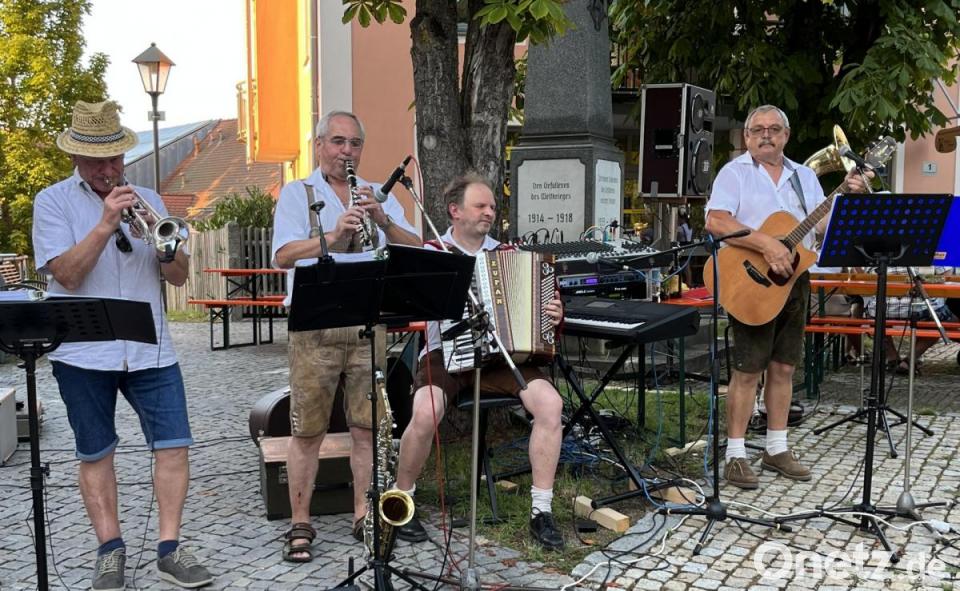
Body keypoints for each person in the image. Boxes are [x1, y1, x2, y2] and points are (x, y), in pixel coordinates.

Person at [32, 100, 212, 590]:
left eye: (115, 160)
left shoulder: (149, 198)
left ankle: (170, 548)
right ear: (77, 160)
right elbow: (66, 274)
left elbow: (178, 279)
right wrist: (106, 223)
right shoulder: (52, 202)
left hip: (151, 347)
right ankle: (110, 548)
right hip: (83, 353)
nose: (109, 170)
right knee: (96, 453)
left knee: (174, 447)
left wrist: (166, 246)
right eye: (98, 162)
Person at [271, 110, 421, 562]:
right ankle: (301, 521)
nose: (346, 152)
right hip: (314, 325)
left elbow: (414, 246)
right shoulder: (299, 194)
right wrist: (333, 235)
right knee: (307, 431)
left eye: (354, 144)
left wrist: (383, 220)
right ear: (319, 146)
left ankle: (363, 513)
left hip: (366, 322)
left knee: (366, 427)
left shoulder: (374, 192)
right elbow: (282, 254)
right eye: (337, 142)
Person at [391, 173, 566, 550]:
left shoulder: (507, 255)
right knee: (424, 412)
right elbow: (407, 313)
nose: (490, 212)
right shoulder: (432, 253)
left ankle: (541, 510)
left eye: (492, 207)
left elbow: (543, 314)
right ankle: (402, 498)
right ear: (455, 211)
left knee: (551, 404)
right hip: (445, 355)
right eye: (481, 206)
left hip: (501, 357)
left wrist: (553, 312)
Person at [704, 105, 872, 489]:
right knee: (747, 371)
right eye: (758, 129)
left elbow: (823, 223)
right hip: (750, 283)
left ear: (786, 135)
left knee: (783, 368)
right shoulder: (735, 173)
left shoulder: (804, 177)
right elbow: (716, 221)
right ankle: (735, 454)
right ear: (747, 137)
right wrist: (767, 245)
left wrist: (848, 195)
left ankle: (776, 448)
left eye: (774, 129)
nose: (766, 135)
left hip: (795, 281)